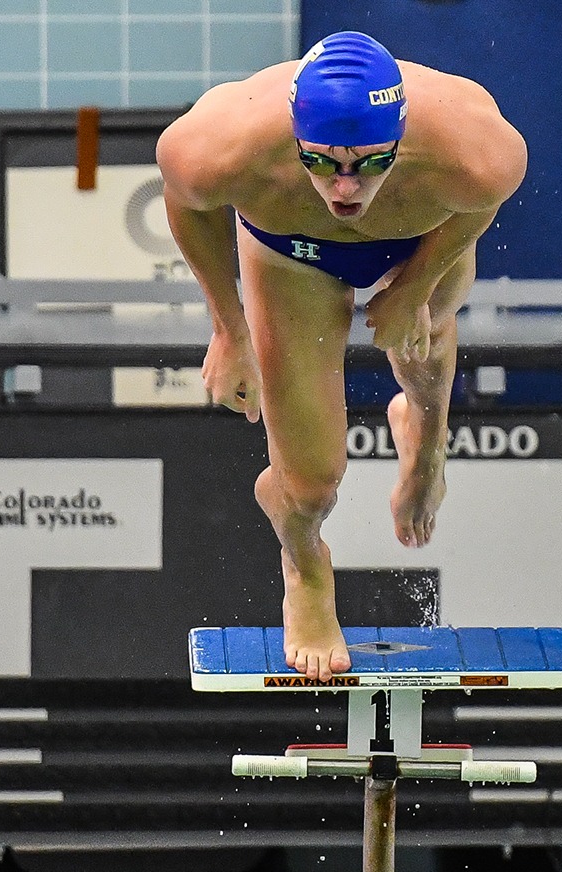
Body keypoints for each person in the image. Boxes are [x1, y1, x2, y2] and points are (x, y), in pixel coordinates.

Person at [156, 31, 527, 682]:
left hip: (416, 240)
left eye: (370, 163)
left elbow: (482, 203)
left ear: (402, 138)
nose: (347, 188)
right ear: (296, 139)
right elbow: (185, 202)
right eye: (324, 163)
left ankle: (426, 439)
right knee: (307, 484)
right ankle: (304, 568)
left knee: (426, 329)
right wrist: (228, 328)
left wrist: (413, 286)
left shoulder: (470, 152)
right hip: (288, 256)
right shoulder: (229, 144)